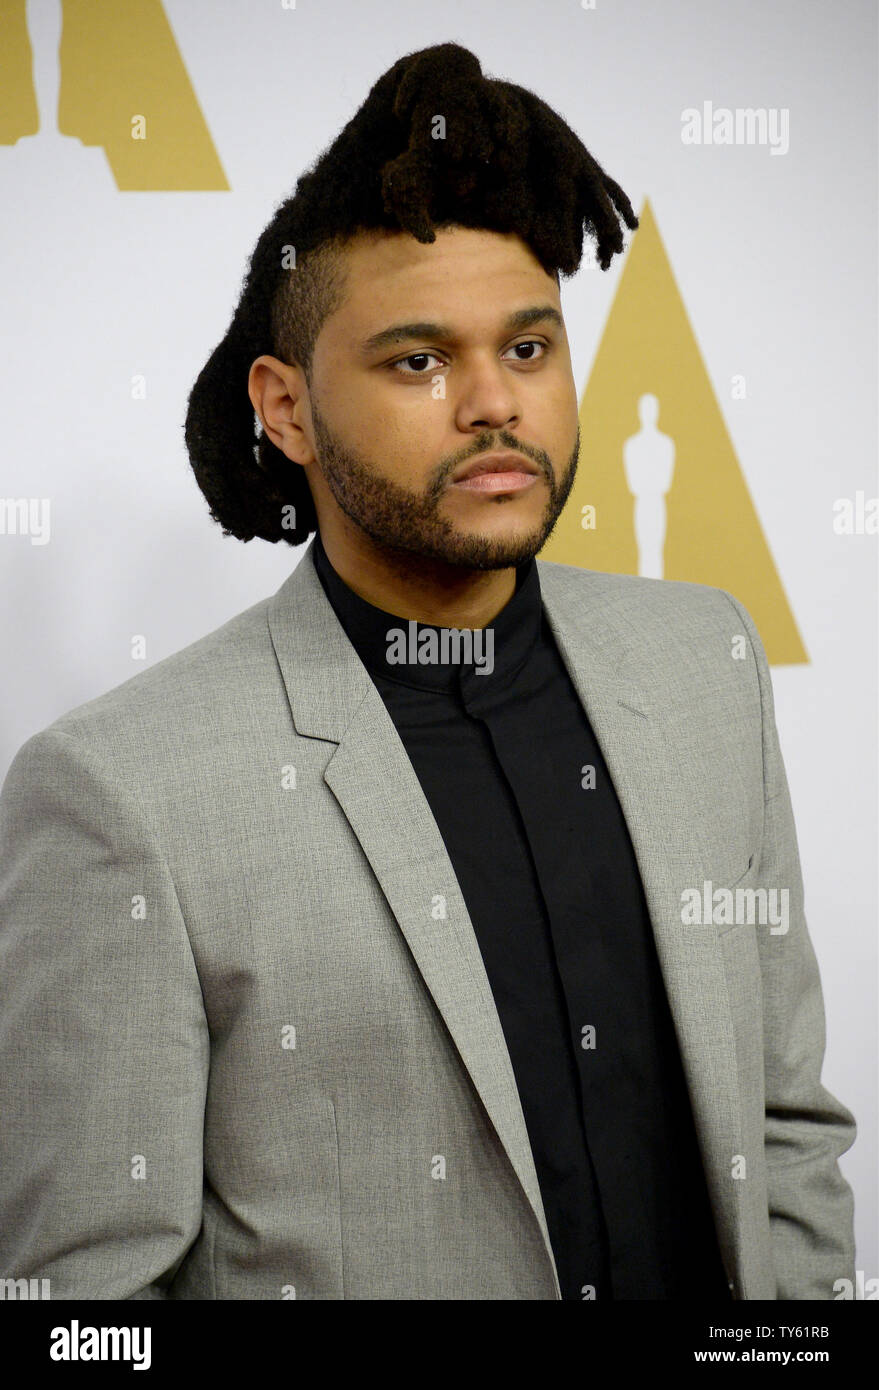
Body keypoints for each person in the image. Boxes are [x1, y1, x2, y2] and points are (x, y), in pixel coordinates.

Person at [0, 41, 856, 1301]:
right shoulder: (122, 791)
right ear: (286, 411)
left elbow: (786, 1133)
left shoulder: (705, 663)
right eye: (418, 361)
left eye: (528, 348)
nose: (494, 405)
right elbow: (80, 1322)